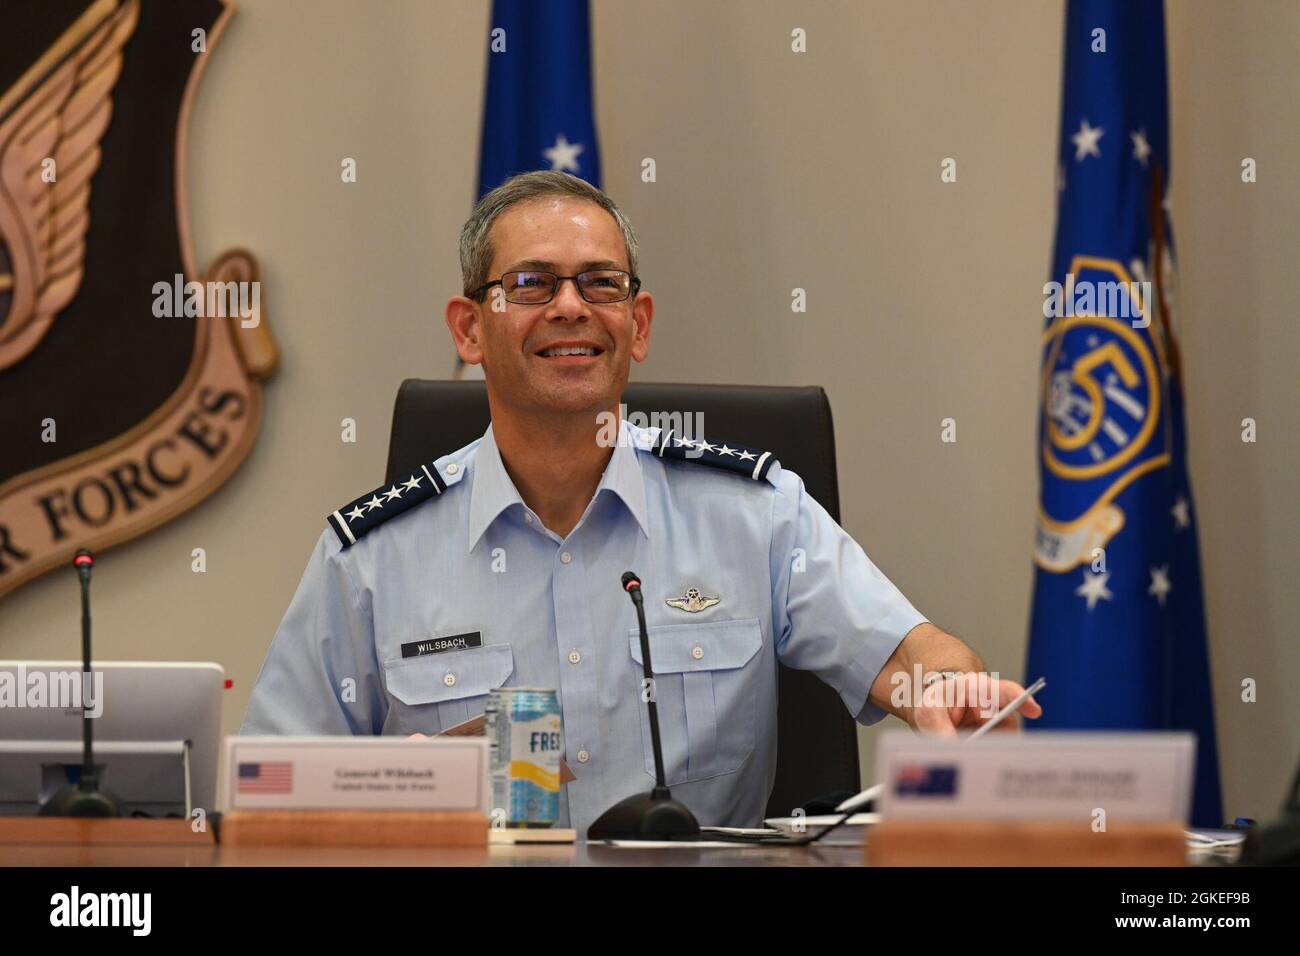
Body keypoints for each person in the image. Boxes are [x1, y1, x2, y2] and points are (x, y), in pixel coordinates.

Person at [241, 170, 1041, 831]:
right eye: (530, 284)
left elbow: (908, 653)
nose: (569, 307)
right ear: (469, 329)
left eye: (601, 284)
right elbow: (266, 794)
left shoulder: (752, 513)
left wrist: (943, 689)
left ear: (639, 322)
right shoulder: (372, 557)